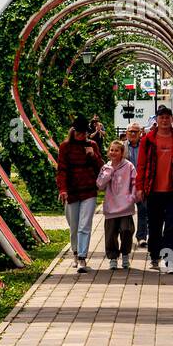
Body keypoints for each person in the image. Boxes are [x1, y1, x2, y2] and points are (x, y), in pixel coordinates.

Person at [134, 105, 173, 273]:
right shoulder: (148, 139)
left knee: (172, 227)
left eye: (167, 117)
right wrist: (140, 187)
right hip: (153, 190)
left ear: (172, 119)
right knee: (155, 226)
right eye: (162, 117)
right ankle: (154, 255)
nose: (165, 120)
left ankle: (170, 262)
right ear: (157, 120)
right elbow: (142, 164)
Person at [56, 116, 103, 273]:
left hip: (89, 190)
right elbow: (61, 169)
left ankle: (82, 257)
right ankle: (75, 253)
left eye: (85, 133)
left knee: (85, 225)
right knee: (74, 225)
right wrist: (62, 189)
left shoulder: (92, 145)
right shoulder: (65, 147)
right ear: (74, 132)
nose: (83, 136)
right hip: (72, 191)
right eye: (80, 133)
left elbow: (101, 168)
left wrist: (93, 155)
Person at [97, 140, 137, 270]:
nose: (113, 152)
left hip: (125, 206)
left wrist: (132, 197)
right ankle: (113, 257)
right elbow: (100, 185)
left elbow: (135, 182)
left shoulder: (129, 166)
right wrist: (108, 173)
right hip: (111, 206)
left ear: (122, 152)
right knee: (110, 233)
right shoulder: (106, 167)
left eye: (116, 150)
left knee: (127, 230)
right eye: (111, 150)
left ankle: (125, 254)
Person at [123, 122, 149, 246]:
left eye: (135, 131)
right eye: (130, 131)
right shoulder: (122, 147)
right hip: (126, 185)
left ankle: (141, 237)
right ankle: (126, 235)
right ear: (126, 133)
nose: (133, 133)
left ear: (140, 133)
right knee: (125, 212)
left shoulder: (145, 146)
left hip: (141, 184)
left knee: (143, 210)